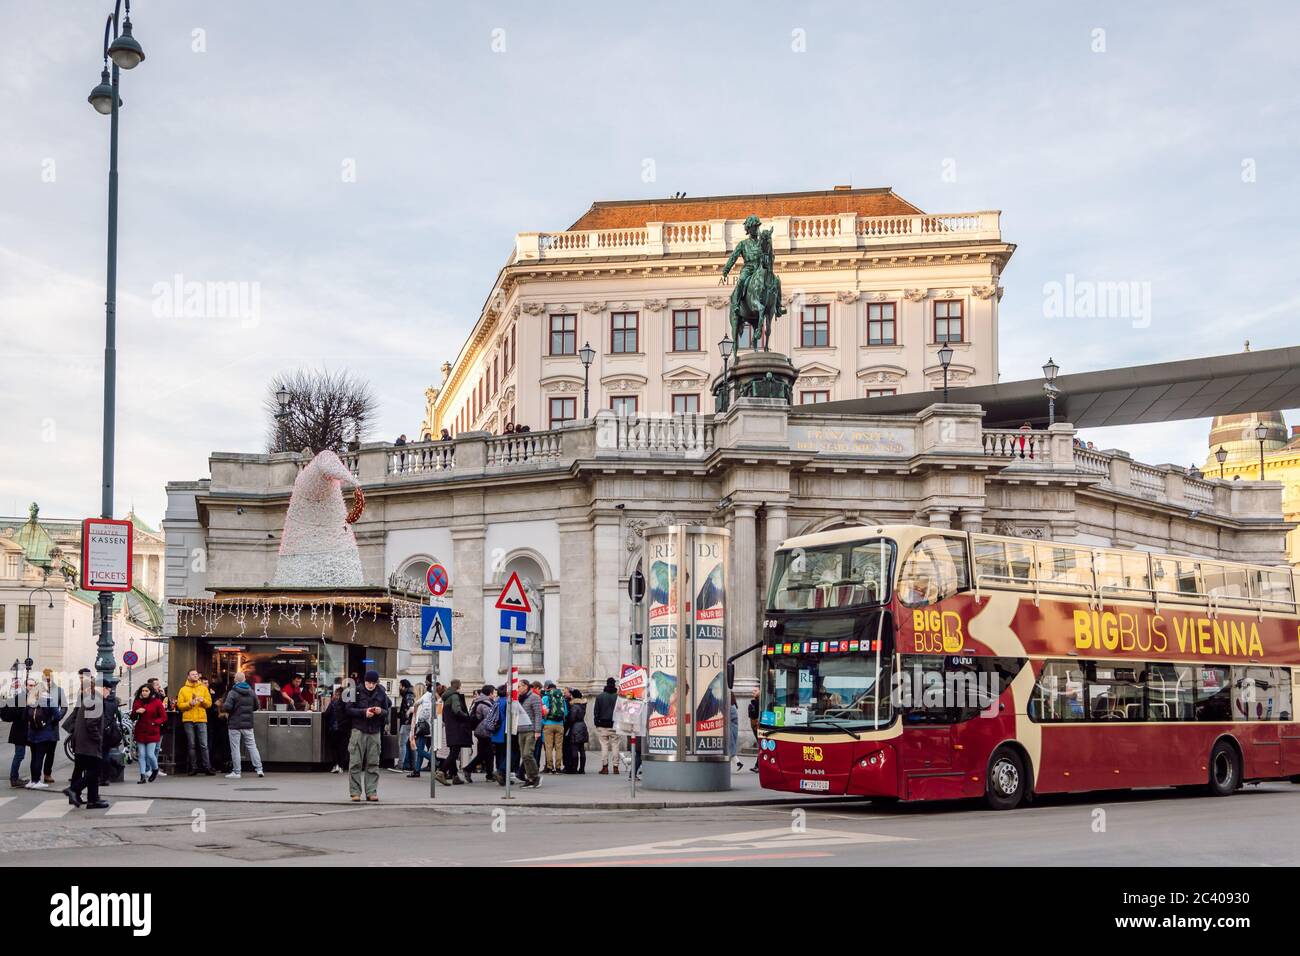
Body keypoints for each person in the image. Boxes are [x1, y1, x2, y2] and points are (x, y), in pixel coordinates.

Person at [62, 671, 109, 810]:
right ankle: (74, 790)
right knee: (95, 771)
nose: (109, 693)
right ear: (103, 688)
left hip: (82, 742)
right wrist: (98, 739)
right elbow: (91, 724)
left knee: (88, 771)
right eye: (108, 689)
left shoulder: (90, 699)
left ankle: (92, 800)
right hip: (89, 743)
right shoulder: (96, 701)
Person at [345, 670, 389, 802]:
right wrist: (364, 712)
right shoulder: (354, 691)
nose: (371, 685)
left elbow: (386, 711)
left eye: (373, 683)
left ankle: (371, 792)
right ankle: (355, 793)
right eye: (369, 682)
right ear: (364, 681)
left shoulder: (381, 692)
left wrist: (380, 711)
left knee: (373, 763)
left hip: (374, 731)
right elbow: (348, 709)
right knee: (355, 763)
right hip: (358, 730)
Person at [221, 671, 264, 779]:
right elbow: (257, 706)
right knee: (252, 746)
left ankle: (237, 772)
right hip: (248, 724)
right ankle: (259, 769)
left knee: (235, 748)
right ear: (244, 680)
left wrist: (223, 706)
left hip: (234, 724)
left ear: (235, 680)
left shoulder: (232, 692)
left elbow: (227, 707)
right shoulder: (251, 691)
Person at [176, 669, 214, 775]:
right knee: (191, 744)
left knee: (204, 744)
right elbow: (180, 705)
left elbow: (209, 703)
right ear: (188, 676)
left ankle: (207, 767)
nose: (195, 676)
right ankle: (193, 768)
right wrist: (190, 704)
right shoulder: (183, 689)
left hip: (201, 719)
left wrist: (203, 701)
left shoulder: (203, 688)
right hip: (188, 719)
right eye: (193, 674)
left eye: (196, 674)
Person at [1, 679, 35, 788]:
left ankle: (16, 777)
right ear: (26, 686)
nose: (32, 687)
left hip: (26, 731)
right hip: (19, 730)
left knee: (21, 755)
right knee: (19, 755)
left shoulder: (30, 696)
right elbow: (13, 712)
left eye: (33, 685)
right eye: (30, 685)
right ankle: (14, 778)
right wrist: (25, 711)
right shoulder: (21, 697)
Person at [130, 684, 166, 783]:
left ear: (151, 692)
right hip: (140, 730)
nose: (144, 693)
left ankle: (155, 769)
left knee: (150, 754)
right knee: (141, 754)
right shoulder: (137, 702)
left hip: (152, 731)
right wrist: (136, 712)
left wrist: (155, 722)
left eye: (146, 691)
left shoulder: (157, 702)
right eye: (143, 691)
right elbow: (132, 717)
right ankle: (142, 776)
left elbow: (163, 717)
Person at [438, 680, 472, 785]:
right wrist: (467, 717)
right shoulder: (454, 696)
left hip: (450, 728)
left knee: (453, 751)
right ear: (458, 686)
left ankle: (455, 776)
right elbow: (457, 710)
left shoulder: (446, 697)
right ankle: (441, 772)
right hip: (457, 729)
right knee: (454, 753)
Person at [37, 668, 65, 784]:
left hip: (53, 726)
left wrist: (58, 717)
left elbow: (64, 707)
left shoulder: (59, 691)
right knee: (38, 753)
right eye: (45, 679)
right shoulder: (37, 689)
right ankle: (36, 776)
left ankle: (47, 774)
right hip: (39, 726)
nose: (47, 681)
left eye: (49, 679)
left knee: (50, 752)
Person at [465, 685, 497, 783]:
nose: (495, 694)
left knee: (488, 754)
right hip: (484, 731)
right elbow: (490, 718)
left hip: (482, 731)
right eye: (494, 692)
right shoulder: (485, 704)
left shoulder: (482, 701)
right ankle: (468, 769)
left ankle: (489, 775)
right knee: (485, 754)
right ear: (490, 693)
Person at [515, 679, 542, 788]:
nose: (518, 689)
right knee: (524, 756)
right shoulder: (519, 698)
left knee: (527, 754)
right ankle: (530, 778)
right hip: (521, 730)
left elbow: (538, 714)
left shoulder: (534, 697)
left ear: (526, 686)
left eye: (519, 686)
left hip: (531, 730)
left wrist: (537, 731)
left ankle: (535, 776)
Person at [593, 677, 620, 775]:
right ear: (614, 684)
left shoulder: (600, 697)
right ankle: (616, 767)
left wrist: (597, 722)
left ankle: (605, 767)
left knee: (604, 746)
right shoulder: (618, 697)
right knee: (615, 745)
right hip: (615, 724)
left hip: (602, 725)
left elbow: (596, 711)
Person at [406, 682, 433, 778]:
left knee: (418, 749)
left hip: (421, 727)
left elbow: (423, 713)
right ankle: (416, 770)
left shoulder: (423, 701)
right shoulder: (423, 700)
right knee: (419, 749)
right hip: (424, 727)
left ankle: (435, 761)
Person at [540, 681, 567, 773]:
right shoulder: (561, 698)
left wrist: (543, 721)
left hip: (548, 724)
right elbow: (565, 712)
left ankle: (550, 767)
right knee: (559, 747)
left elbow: (542, 711)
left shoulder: (545, 698)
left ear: (548, 689)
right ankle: (558, 767)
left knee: (548, 747)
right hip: (560, 725)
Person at [323, 686, 350, 773]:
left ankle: (335, 765)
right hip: (344, 729)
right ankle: (341, 766)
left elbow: (326, 714)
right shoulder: (348, 704)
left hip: (333, 729)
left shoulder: (333, 703)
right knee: (342, 748)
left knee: (334, 748)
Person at [490, 684, 512, 786]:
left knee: (499, 754)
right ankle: (501, 773)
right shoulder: (507, 702)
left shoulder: (496, 701)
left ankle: (500, 773)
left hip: (495, 732)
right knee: (506, 753)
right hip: (504, 731)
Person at [393, 679, 415, 774]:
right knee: (410, 745)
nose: (399, 687)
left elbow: (411, 707)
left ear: (403, 686)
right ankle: (412, 765)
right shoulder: (409, 694)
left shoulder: (408, 695)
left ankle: (400, 765)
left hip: (406, 723)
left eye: (400, 685)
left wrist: (405, 714)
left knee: (402, 744)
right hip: (409, 723)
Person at [564, 689, 587, 774]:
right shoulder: (583, 705)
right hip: (583, 726)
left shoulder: (574, 706)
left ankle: (574, 768)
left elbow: (572, 718)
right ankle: (582, 769)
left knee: (574, 748)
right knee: (582, 749)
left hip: (575, 728)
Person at [747, 688, 761, 772]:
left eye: (755, 690)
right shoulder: (753, 703)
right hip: (755, 726)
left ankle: (758, 765)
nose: (753, 692)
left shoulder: (761, 702)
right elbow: (752, 715)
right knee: (760, 746)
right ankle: (757, 765)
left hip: (758, 726)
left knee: (761, 746)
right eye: (753, 691)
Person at [728, 692, 741, 770]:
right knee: (730, 748)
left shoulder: (731, 708)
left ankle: (738, 764)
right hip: (732, 729)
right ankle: (738, 764)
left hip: (731, 729)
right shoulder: (733, 706)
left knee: (730, 747)